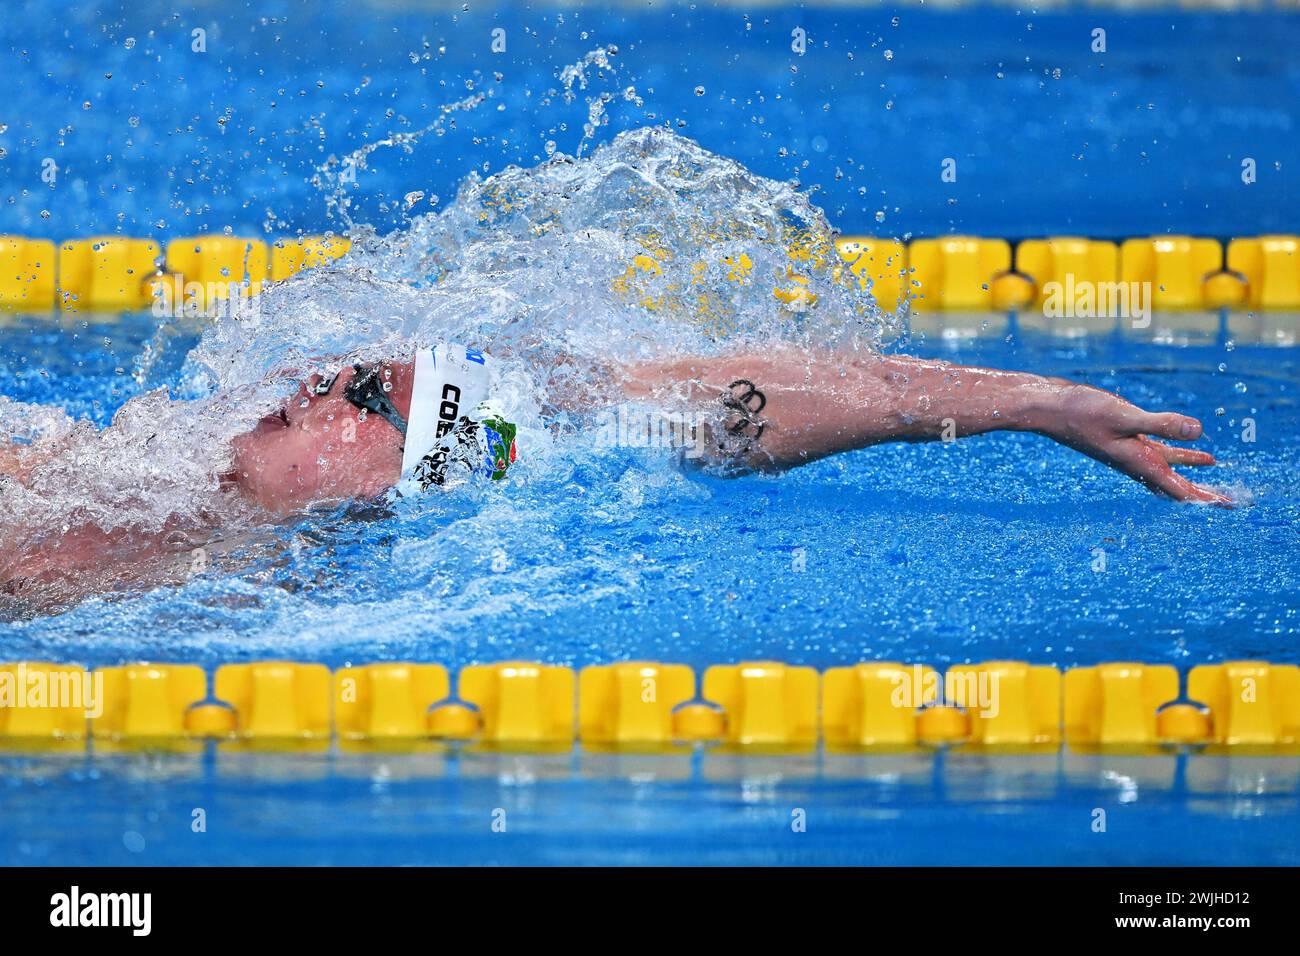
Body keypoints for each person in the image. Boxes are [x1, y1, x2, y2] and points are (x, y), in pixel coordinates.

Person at [0, 341, 1230, 612]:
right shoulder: (106, 458)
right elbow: (679, 401)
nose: (319, 379)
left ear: (388, 488)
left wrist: (1034, 409)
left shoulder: (152, 560)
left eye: (366, 396)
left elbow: (710, 416)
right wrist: (1034, 397)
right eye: (346, 371)